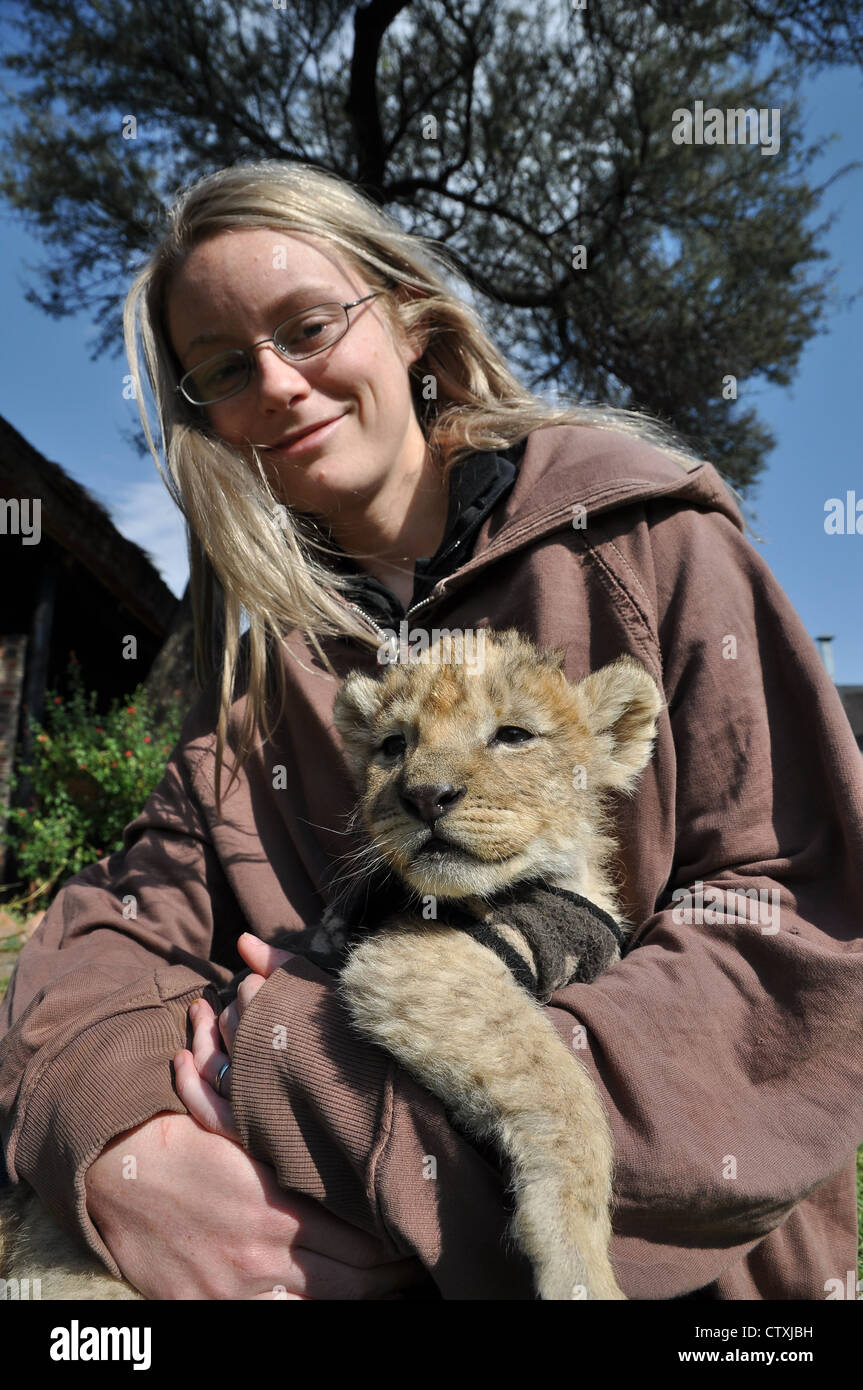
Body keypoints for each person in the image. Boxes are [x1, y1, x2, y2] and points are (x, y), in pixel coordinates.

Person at [1, 161, 861, 1301]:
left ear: (410, 318)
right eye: (219, 369)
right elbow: (114, 930)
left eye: (306, 325)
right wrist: (116, 1149)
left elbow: (794, 927)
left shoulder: (649, 542)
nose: (276, 382)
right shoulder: (259, 672)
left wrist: (313, 1085)